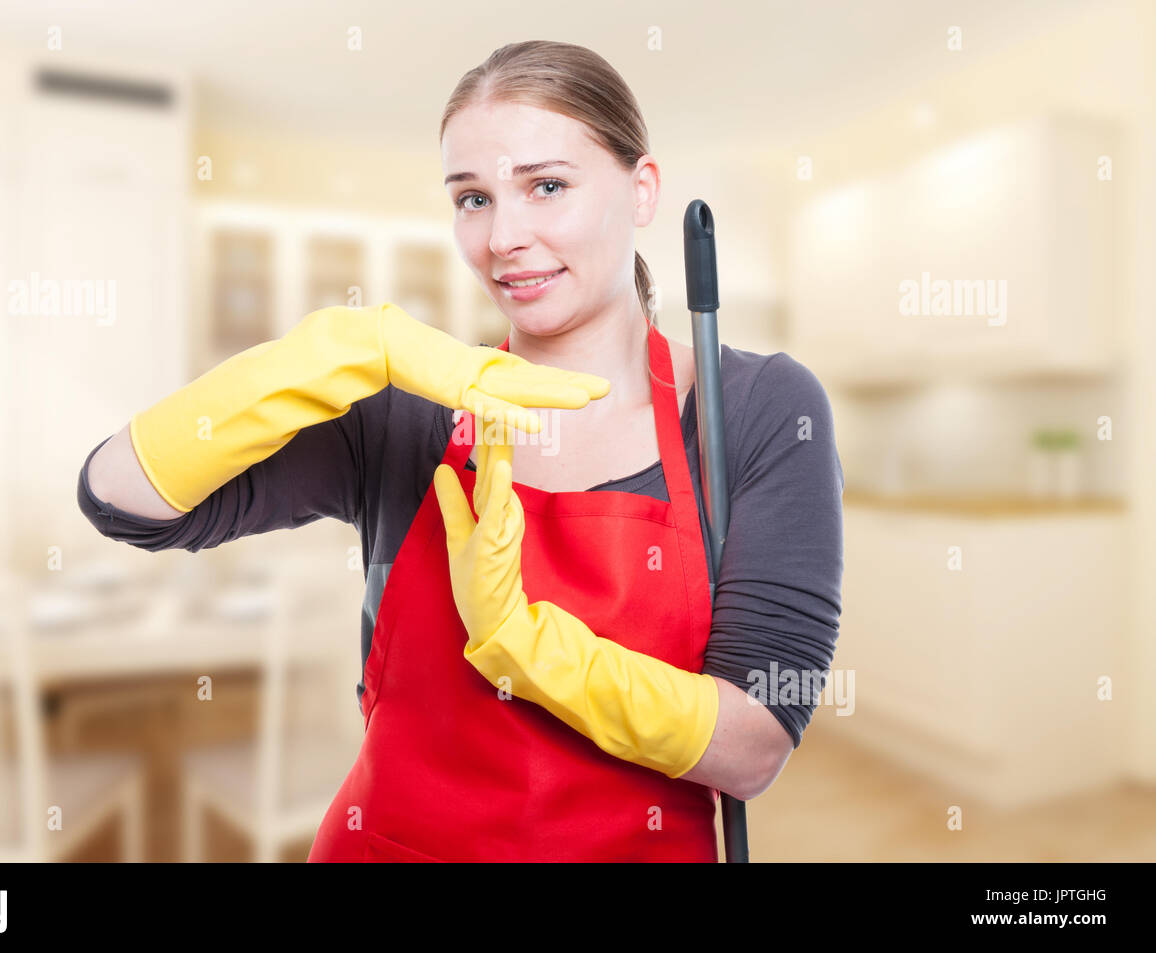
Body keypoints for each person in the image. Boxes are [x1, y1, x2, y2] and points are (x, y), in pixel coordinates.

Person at [77, 40, 843, 863]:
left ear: (642, 188)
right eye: (472, 198)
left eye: (546, 186)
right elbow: (120, 497)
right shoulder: (406, 414)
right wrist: (325, 355)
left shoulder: (755, 411)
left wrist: (525, 641)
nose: (503, 236)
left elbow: (754, 742)